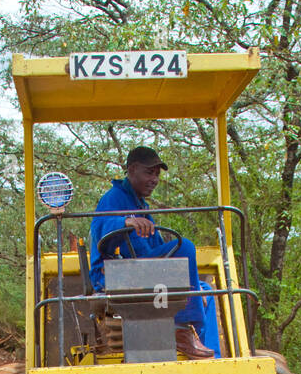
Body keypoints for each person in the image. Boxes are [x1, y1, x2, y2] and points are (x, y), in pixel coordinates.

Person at [89, 146, 215, 359]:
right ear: (132, 170)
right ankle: (183, 329)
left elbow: (155, 249)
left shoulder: (141, 205)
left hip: (144, 270)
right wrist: (125, 221)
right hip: (113, 274)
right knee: (186, 248)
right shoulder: (115, 198)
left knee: (205, 290)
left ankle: (209, 350)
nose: (154, 179)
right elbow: (100, 227)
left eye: (156, 174)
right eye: (149, 172)